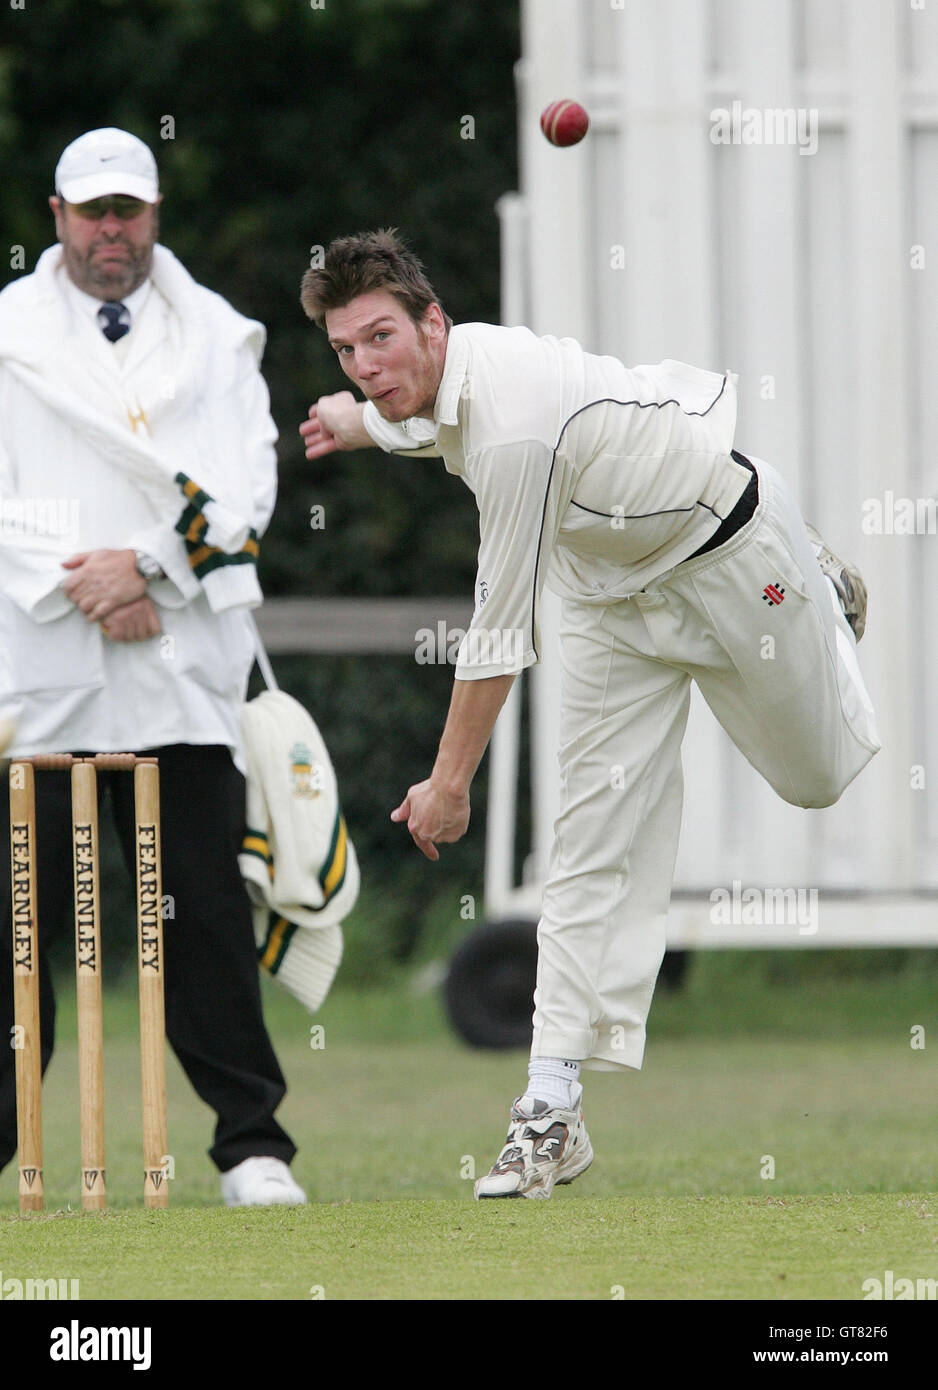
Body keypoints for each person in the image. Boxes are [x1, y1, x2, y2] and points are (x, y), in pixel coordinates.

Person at [299, 228, 881, 1200]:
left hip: (725, 546)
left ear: (432, 322)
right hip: (610, 600)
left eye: (379, 339)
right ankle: (548, 1112)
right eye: (345, 351)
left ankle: (815, 573)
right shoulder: (431, 388)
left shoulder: (515, 425)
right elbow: (414, 418)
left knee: (814, 779)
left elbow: (494, 634)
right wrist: (358, 423)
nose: (366, 365)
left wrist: (448, 785)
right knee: (582, 842)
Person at [0, 128, 305, 1207]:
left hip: (180, 665)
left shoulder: (219, 337)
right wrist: (79, 580)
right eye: (93, 212)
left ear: (155, 213)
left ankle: (250, 1146)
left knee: (201, 916)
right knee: (22, 929)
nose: (112, 230)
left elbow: (248, 487)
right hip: (43, 665)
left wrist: (151, 569)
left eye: (129, 210)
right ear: (58, 216)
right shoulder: (7, 333)